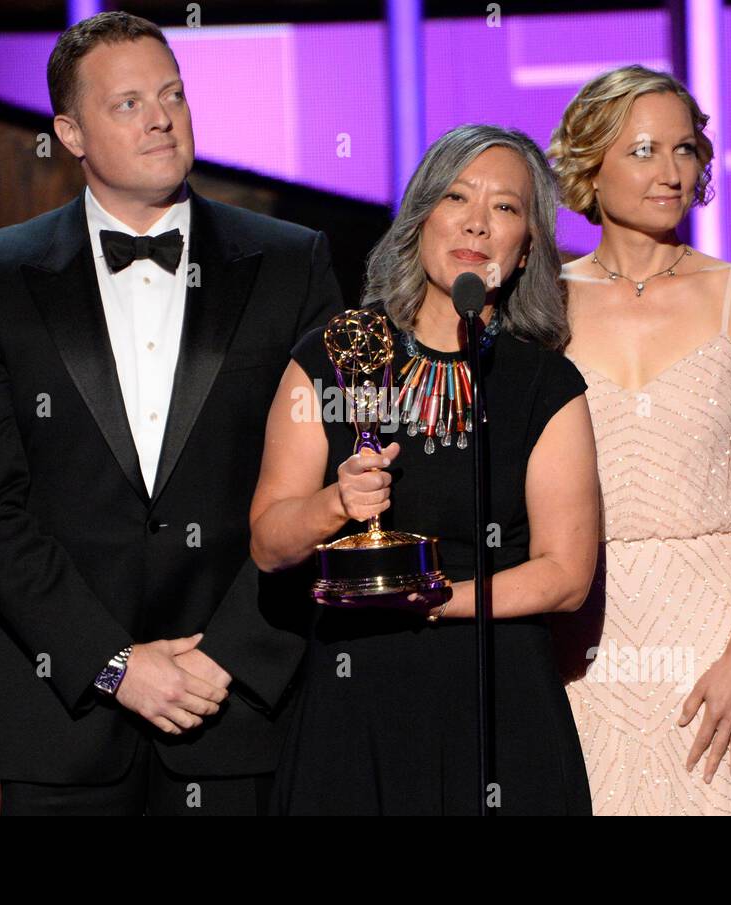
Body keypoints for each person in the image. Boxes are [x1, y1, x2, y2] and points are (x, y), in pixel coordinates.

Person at [0, 12, 344, 815]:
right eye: (127, 104)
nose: (161, 117)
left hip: (242, 713)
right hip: (64, 721)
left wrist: (228, 656)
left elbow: (323, 486)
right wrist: (115, 663)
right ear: (70, 132)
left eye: (173, 95)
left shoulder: (294, 263)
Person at [250, 124, 600, 815]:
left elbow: (566, 575)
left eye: (505, 207)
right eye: (457, 196)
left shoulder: (544, 384)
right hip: (357, 698)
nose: (477, 220)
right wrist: (336, 503)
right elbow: (267, 542)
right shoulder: (332, 356)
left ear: (528, 245)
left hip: (498, 701)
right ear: (419, 218)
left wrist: (431, 601)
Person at [548, 65, 731, 814]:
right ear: (592, 166)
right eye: (645, 151)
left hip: (715, 628)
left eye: (685, 150)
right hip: (585, 628)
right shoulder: (545, 305)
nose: (672, 172)